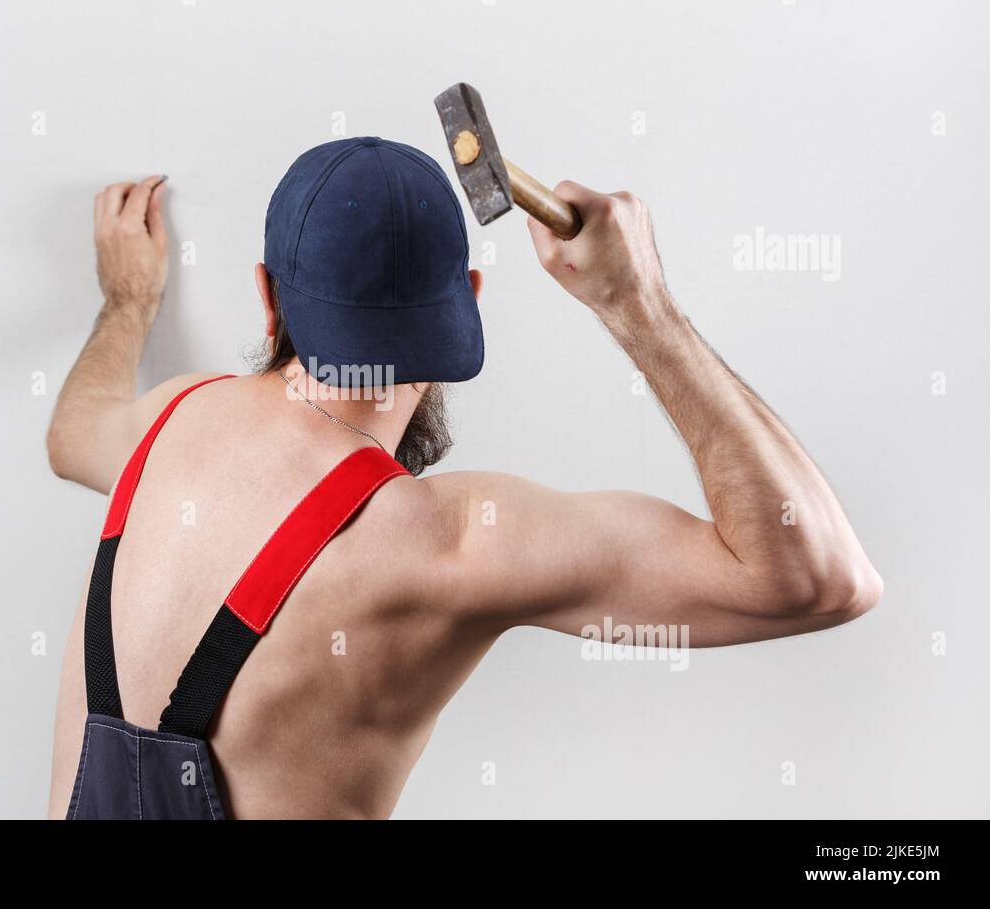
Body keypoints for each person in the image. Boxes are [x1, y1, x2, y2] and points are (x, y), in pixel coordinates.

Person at [46, 137, 882, 819]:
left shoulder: (164, 422)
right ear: (469, 303)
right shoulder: (448, 541)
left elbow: (70, 431)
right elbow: (820, 580)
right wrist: (639, 302)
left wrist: (127, 300)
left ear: (268, 298)